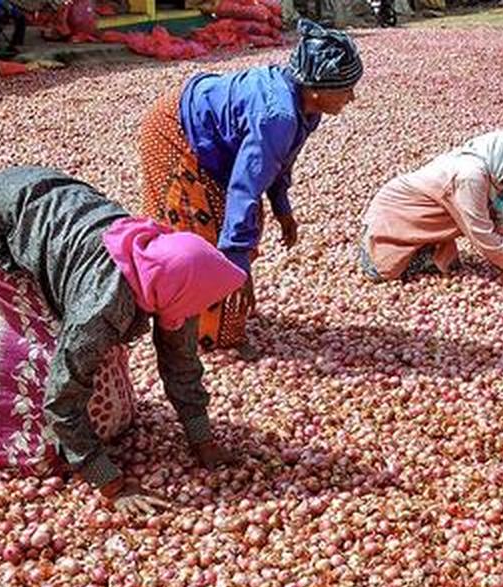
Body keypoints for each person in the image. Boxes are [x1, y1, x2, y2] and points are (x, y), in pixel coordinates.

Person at [0, 166, 247, 516]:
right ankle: (20, 446)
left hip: (42, 200)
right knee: (41, 347)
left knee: (97, 354)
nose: (202, 311)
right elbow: (63, 395)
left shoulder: (168, 269)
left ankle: (89, 434)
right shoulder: (101, 306)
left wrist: (202, 439)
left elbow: (180, 361)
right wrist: (110, 483)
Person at [140, 18, 362, 351]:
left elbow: (276, 162)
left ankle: (203, 312)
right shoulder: (279, 115)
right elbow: (244, 189)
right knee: (198, 237)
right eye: (346, 88)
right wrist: (236, 264)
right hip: (175, 132)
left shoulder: (306, 107)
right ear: (317, 88)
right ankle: (197, 333)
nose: (352, 98)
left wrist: (282, 208)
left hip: (207, 135)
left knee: (234, 228)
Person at [360, 129, 503, 281]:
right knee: (386, 269)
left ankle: (424, 251)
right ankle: (385, 255)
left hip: (409, 218)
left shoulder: (487, 171)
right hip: (391, 222)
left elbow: (500, 222)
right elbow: (481, 233)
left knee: (450, 264)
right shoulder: (470, 176)